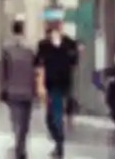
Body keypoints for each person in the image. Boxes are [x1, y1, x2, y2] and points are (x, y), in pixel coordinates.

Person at [36, 17, 80, 158]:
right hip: (50, 83)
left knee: (56, 113)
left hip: (61, 83)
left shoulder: (69, 43)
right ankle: (59, 141)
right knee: (52, 116)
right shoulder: (44, 45)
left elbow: (74, 61)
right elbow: (38, 63)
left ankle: (59, 144)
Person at [1, 19, 38, 159]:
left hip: (12, 89)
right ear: (23, 30)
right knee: (25, 121)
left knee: (16, 119)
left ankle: (19, 145)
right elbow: (35, 70)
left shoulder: (6, 48)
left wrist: (2, 89)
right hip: (28, 89)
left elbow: (3, 72)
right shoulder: (31, 48)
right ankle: (21, 146)